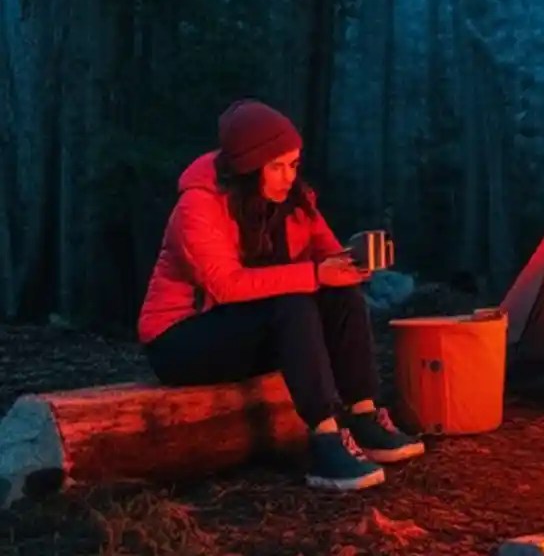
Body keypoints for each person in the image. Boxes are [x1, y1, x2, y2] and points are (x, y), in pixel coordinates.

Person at [137, 98, 424, 491]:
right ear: (247, 167)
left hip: (247, 330)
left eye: (292, 164)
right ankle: (325, 439)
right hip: (181, 340)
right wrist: (315, 274)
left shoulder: (293, 201)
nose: (287, 176)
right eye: (276, 167)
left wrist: (354, 262)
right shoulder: (199, 205)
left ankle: (364, 417)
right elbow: (226, 285)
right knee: (293, 300)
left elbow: (326, 255)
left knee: (340, 295)